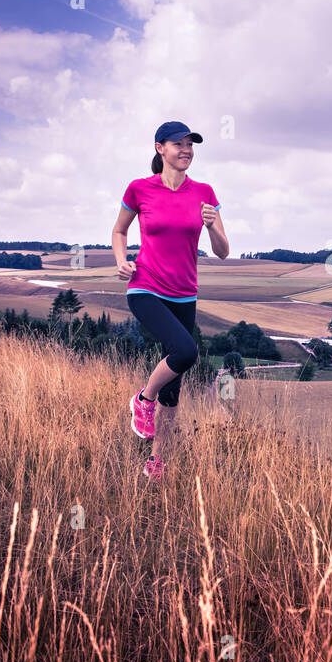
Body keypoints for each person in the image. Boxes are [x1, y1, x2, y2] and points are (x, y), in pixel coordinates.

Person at [112, 120, 229, 479]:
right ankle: (143, 400)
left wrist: (211, 225)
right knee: (187, 352)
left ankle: (156, 460)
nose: (187, 150)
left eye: (191, 144)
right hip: (145, 286)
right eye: (178, 144)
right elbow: (119, 230)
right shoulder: (139, 189)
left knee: (175, 383)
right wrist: (121, 260)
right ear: (160, 148)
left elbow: (223, 252)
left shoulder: (205, 192)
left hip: (184, 294)